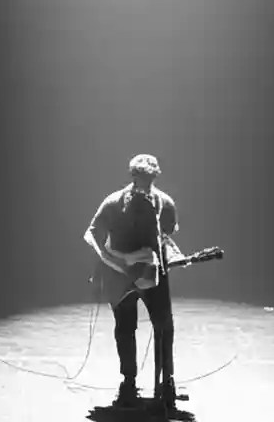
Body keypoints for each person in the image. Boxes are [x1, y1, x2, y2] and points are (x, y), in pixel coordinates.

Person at [82, 154, 180, 408]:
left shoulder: (165, 203)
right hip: (119, 275)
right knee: (125, 328)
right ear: (132, 176)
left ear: (155, 178)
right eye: (140, 179)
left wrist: (171, 256)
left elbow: (166, 237)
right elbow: (92, 232)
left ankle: (167, 378)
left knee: (164, 325)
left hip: (152, 274)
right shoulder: (114, 203)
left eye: (149, 180)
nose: (144, 185)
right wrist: (105, 257)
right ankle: (128, 378)